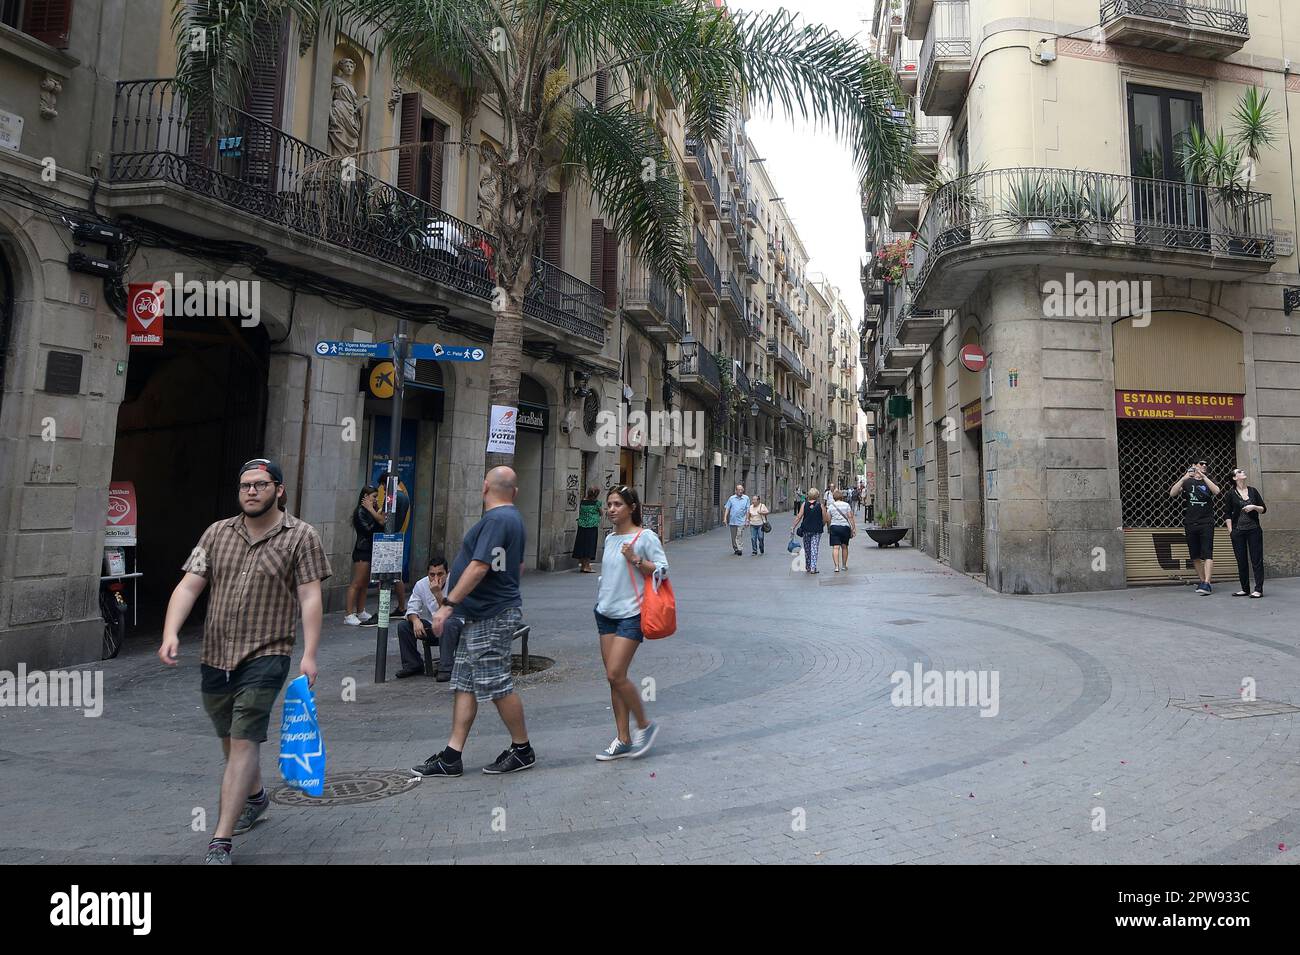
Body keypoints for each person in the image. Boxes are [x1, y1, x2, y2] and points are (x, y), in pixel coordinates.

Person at [158, 458, 330, 865]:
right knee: (230, 736)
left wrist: (309, 653)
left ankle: (220, 841)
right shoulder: (217, 533)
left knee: (244, 738)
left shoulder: (301, 536)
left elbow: (310, 597)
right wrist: (170, 632)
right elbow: (189, 586)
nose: (251, 491)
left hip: (267, 654)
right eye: (244, 486)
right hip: (216, 655)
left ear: (279, 490)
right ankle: (254, 796)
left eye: (260, 484)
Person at [411, 467, 534, 778]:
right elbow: (512, 566)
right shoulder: (513, 519)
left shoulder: (497, 520)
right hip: (482, 615)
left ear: (484, 488)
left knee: (496, 683)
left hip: (490, 617)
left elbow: (479, 567)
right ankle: (451, 757)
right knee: (464, 683)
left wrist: (447, 605)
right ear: (515, 492)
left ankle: (522, 750)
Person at [592, 485, 666, 760]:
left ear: (632, 507)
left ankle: (645, 726)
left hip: (631, 616)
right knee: (613, 680)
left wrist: (636, 560)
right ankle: (623, 738)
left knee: (615, 674)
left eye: (617, 505)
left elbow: (662, 570)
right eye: (609, 504)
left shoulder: (645, 537)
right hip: (605, 614)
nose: (611, 509)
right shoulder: (610, 539)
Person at [396, 555, 463, 679]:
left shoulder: (456, 582)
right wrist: (415, 620)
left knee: (447, 623)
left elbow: (450, 613)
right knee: (404, 626)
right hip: (433, 627)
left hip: (455, 627)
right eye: (432, 575)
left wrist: (437, 593)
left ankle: (446, 668)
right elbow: (411, 608)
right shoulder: (421, 584)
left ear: (447, 573)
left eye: (440, 574)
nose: (436, 578)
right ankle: (413, 665)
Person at [1169, 458, 1219, 594]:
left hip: (1206, 522)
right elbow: (1172, 493)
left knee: (1208, 552)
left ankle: (1208, 582)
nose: (1204, 466)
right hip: (1191, 522)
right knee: (1195, 555)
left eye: (1206, 464)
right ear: (1193, 466)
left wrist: (1204, 477)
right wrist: (1184, 477)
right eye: (1201, 464)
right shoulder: (1187, 482)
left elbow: (1217, 491)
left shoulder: (1208, 481)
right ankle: (1202, 582)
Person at [1225, 467, 1266, 598]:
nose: (1243, 473)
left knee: (1256, 559)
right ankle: (1245, 589)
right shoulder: (1231, 494)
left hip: (1254, 529)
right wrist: (1231, 531)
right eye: (1239, 472)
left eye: (1242, 471)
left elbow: (1263, 509)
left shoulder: (1253, 491)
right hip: (1238, 531)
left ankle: (1258, 589)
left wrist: (1253, 506)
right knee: (1241, 560)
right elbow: (1227, 514)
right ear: (1234, 478)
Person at [345, 485, 384, 625]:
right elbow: (369, 530)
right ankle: (349, 613)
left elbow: (382, 523)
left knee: (365, 583)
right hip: (362, 550)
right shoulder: (361, 512)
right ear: (365, 497)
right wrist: (373, 512)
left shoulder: (371, 511)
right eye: (373, 497)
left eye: (376, 497)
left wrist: (374, 512)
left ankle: (361, 610)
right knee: (357, 582)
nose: (375, 500)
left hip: (370, 550)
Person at [793, 487, 827, 574]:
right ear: (817, 496)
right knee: (814, 548)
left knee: (807, 549)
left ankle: (808, 566)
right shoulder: (821, 505)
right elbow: (825, 518)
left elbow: (799, 516)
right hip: (816, 530)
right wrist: (822, 525)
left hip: (806, 530)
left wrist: (793, 526)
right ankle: (813, 568)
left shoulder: (804, 504)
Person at [826, 488, 857, 572]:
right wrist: (853, 528)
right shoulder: (846, 505)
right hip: (845, 528)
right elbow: (850, 517)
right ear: (842, 497)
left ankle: (836, 567)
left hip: (834, 527)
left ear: (834, 497)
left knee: (835, 548)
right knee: (844, 547)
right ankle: (844, 565)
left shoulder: (831, 506)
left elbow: (828, 519)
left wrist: (829, 527)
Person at [572, 485, 602, 572]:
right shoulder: (597, 503)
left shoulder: (583, 502)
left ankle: (582, 565)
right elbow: (601, 513)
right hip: (592, 526)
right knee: (590, 545)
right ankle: (587, 566)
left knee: (582, 545)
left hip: (582, 526)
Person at [722, 483, 750, 556]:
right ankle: (736, 548)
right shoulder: (731, 498)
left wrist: (747, 520)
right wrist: (725, 518)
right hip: (733, 521)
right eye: (739, 490)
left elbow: (748, 510)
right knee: (733, 537)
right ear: (736, 491)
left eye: (741, 490)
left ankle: (740, 549)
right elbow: (727, 508)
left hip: (741, 521)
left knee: (739, 535)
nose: (740, 491)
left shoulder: (746, 498)